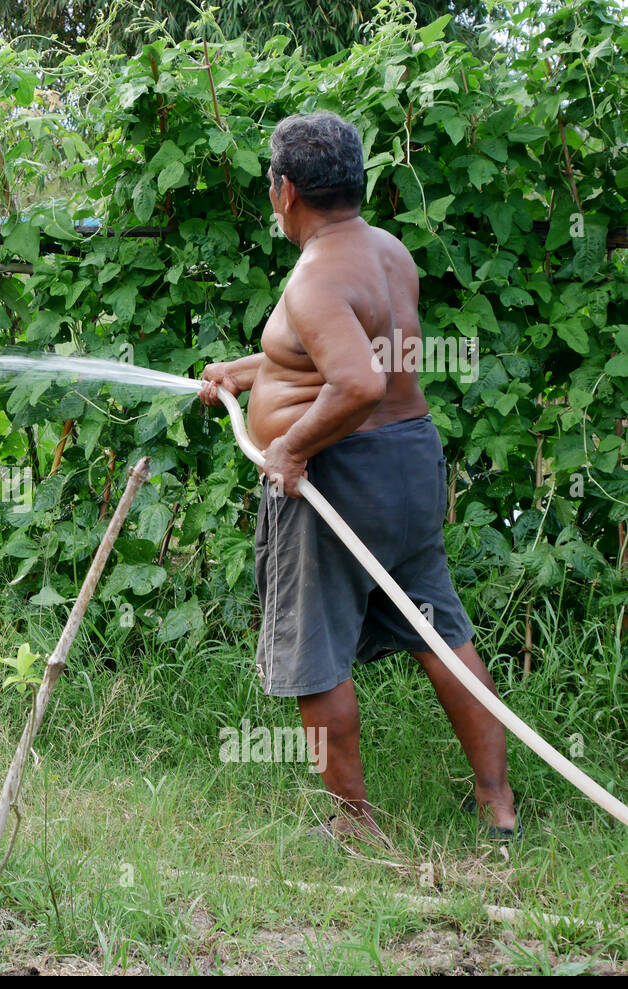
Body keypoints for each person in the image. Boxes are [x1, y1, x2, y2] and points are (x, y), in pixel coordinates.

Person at [200, 111, 518, 842]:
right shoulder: (386, 250)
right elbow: (337, 357)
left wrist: (289, 450)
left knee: (314, 654)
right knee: (440, 633)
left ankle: (353, 826)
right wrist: (245, 375)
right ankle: (497, 805)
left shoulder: (313, 276)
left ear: (285, 192)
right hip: (407, 462)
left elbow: (356, 385)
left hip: (337, 482)